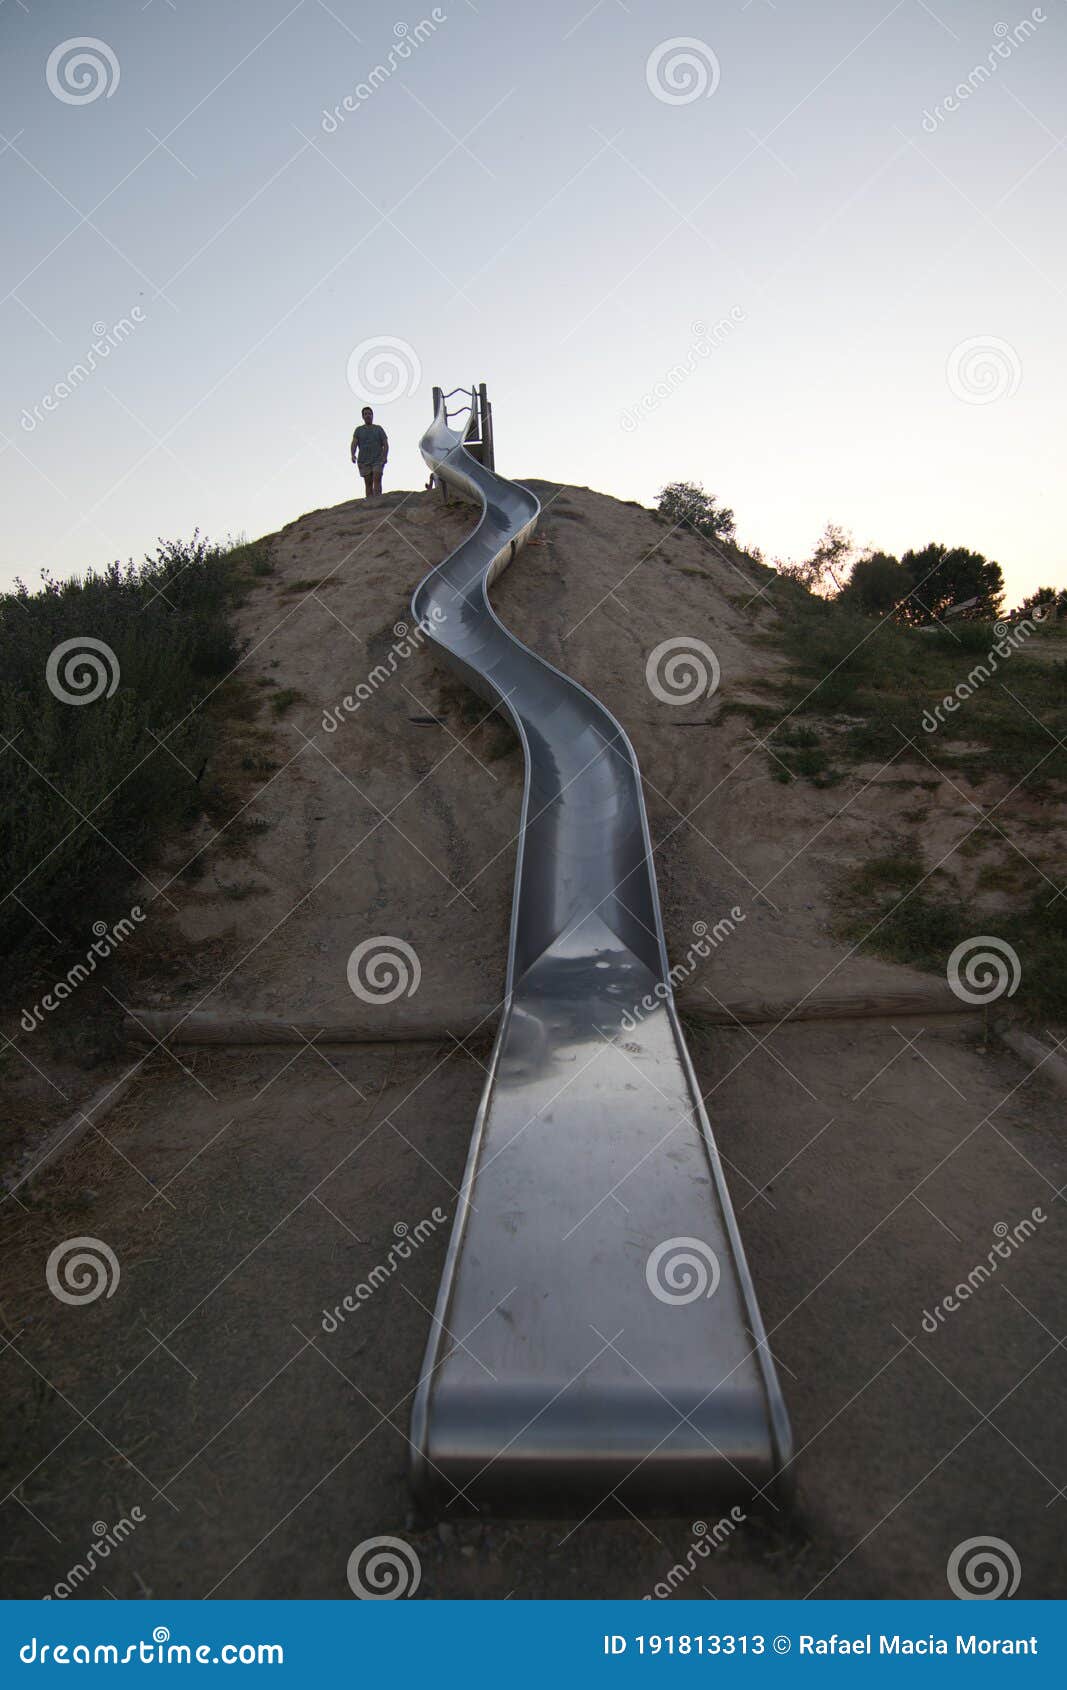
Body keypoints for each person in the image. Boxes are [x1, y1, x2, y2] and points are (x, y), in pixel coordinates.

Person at [350, 406, 388, 498]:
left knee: (377, 479)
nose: (368, 416)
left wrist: (384, 456)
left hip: (377, 459)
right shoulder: (358, 430)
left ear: (372, 415)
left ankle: (378, 500)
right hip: (364, 460)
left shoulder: (378, 429)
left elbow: (385, 444)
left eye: (369, 414)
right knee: (368, 483)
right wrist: (353, 454)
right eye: (365, 414)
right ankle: (370, 503)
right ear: (363, 416)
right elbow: (354, 443)